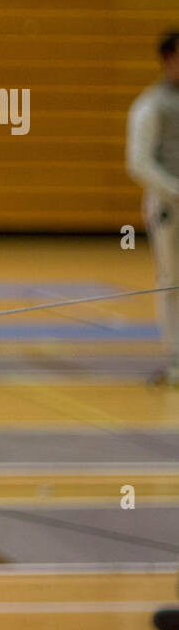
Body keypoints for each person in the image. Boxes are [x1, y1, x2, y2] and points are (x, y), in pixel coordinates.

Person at [126, 31, 179, 387]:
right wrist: (175, 190)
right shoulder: (151, 105)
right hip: (168, 207)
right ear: (167, 59)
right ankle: (175, 362)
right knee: (172, 283)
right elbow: (138, 162)